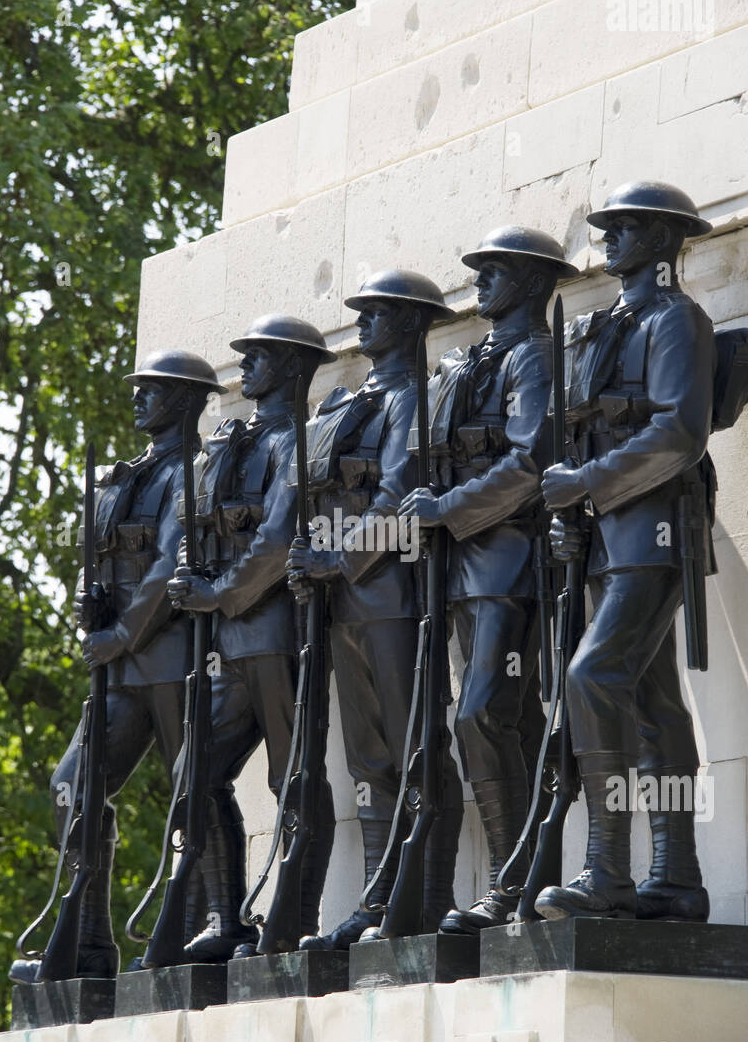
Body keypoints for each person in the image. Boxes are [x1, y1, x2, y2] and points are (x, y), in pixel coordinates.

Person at [10, 348, 220, 983]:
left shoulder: (195, 471)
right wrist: (92, 602)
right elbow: (111, 560)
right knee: (73, 784)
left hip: (171, 656)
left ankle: (205, 928)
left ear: (184, 402)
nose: (137, 398)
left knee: (197, 792)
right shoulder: (126, 476)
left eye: (151, 390)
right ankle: (89, 940)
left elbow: (169, 564)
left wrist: (122, 631)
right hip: (122, 668)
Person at [535, 181, 715, 922]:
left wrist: (586, 482)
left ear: (662, 238)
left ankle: (605, 870)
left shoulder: (675, 320)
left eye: (626, 226)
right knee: (651, 701)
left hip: (656, 528)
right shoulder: (607, 326)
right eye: (607, 225)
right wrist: (570, 503)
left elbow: (678, 432)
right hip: (608, 536)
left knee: (592, 676)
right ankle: (675, 880)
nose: (607, 235)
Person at [400, 228, 578, 933]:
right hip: (461, 573)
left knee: (482, 715)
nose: (478, 280)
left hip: (509, 563)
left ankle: (514, 881)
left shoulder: (532, 358)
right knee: (493, 719)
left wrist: (444, 510)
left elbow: (530, 460)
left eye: (495, 271)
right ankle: (528, 878)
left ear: (531, 284)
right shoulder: (466, 363)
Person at [289, 270, 466, 951]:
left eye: (378, 311)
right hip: (342, 603)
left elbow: (397, 498)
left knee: (416, 745)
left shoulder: (414, 398)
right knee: (367, 761)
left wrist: (337, 562)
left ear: (412, 322)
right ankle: (377, 897)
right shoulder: (343, 403)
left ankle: (427, 896)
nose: (361, 321)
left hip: (393, 597)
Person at [166, 315, 337, 961]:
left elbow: (277, 541)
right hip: (229, 643)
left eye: (259, 356)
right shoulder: (235, 443)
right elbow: (198, 522)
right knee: (193, 772)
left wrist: (219, 592)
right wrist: (191, 569)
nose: (245, 364)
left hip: (276, 632)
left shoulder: (297, 439)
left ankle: (294, 918)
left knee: (293, 780)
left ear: (291, 368)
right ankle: (225, 915)